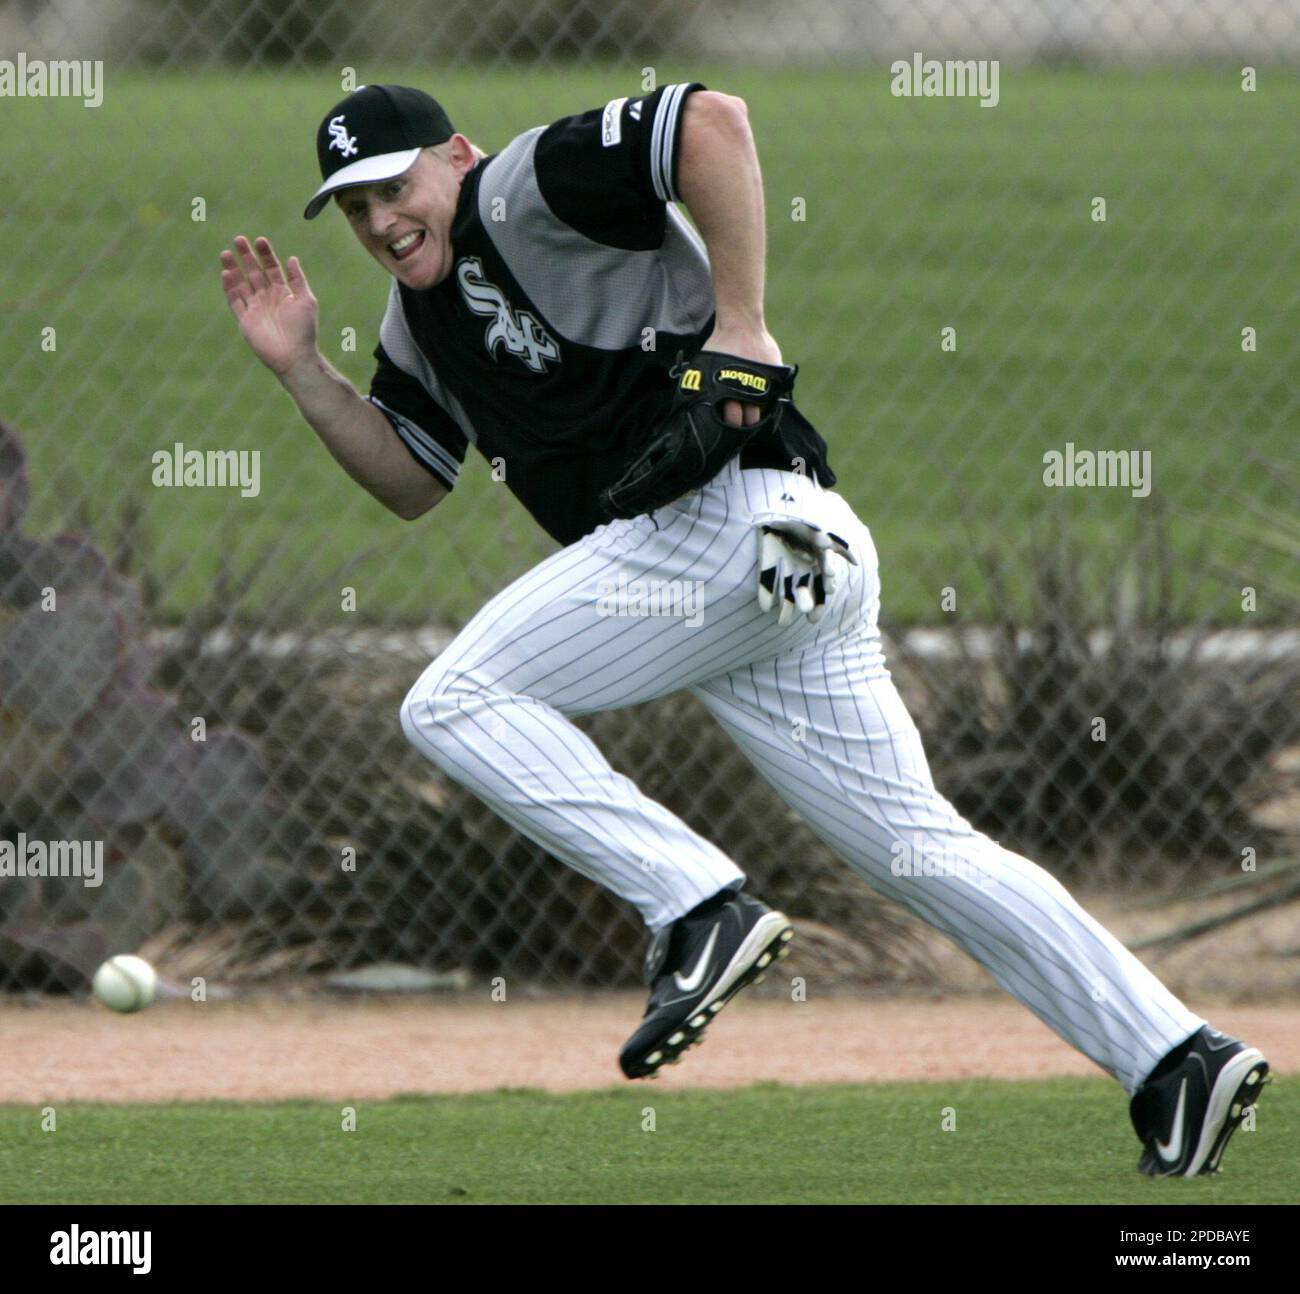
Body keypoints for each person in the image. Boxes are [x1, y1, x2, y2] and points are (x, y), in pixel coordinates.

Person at [220, 81, 1268, 1175]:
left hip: (727, 518)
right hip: (777, 575)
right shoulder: (415, 323)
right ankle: (1175, 1058)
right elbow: (408, 480)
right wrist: (302, 369)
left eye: (394, 185)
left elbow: (712, 121)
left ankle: (695, 907)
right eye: (352, 208)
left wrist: (740, 321)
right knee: (922, 851)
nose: (381, 220)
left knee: (451, 701)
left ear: (454, 157)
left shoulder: (526, 184)